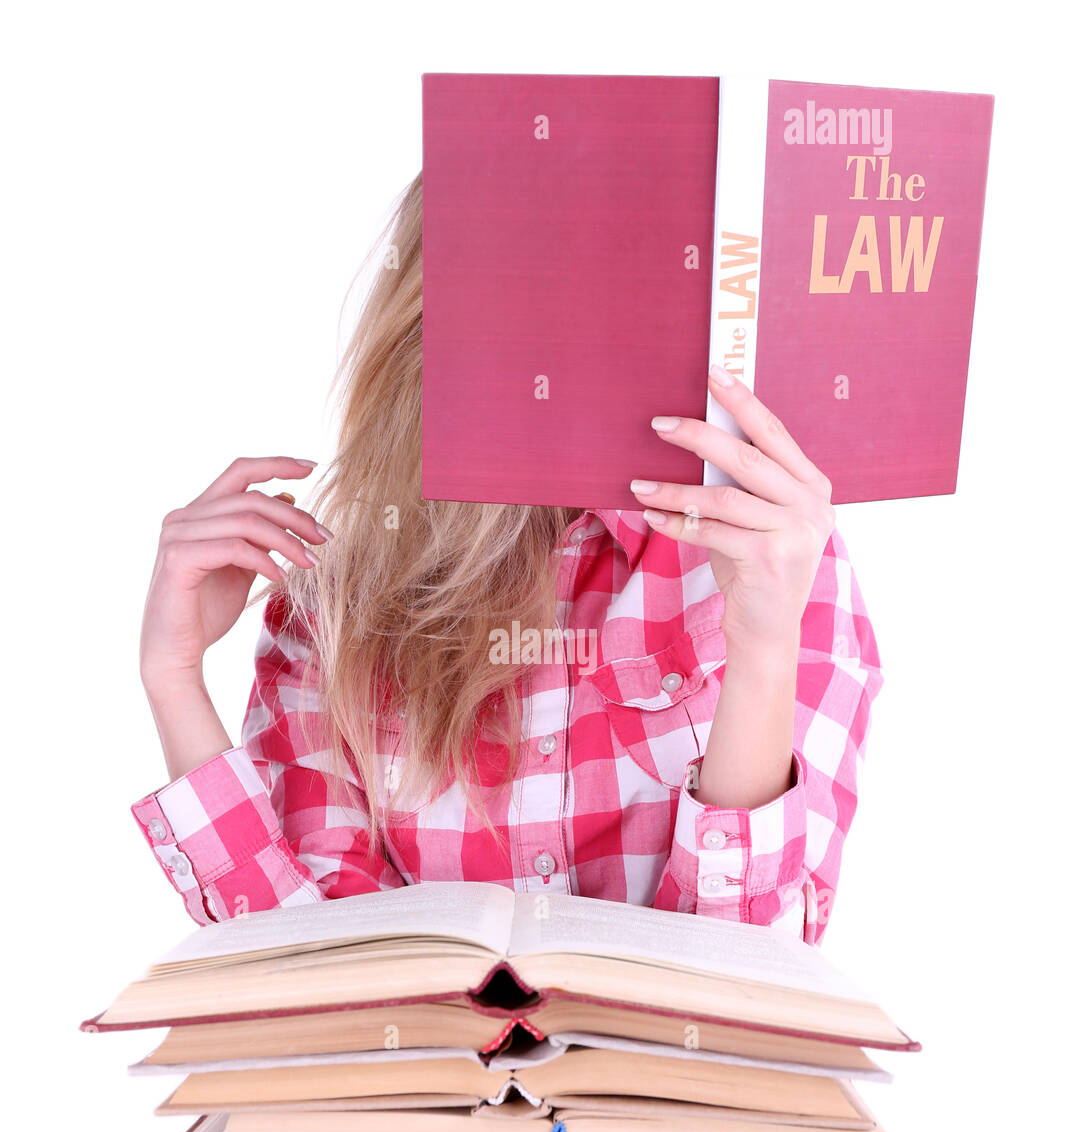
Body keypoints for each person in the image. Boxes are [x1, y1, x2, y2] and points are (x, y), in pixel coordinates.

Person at [134, 173, 881, 943]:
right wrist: (174, 678)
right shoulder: (337, 598)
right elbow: (307, 964)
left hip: (664, 1065)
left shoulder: (769, 552)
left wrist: (760, 645)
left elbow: (755, 959)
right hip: (422, 1066)